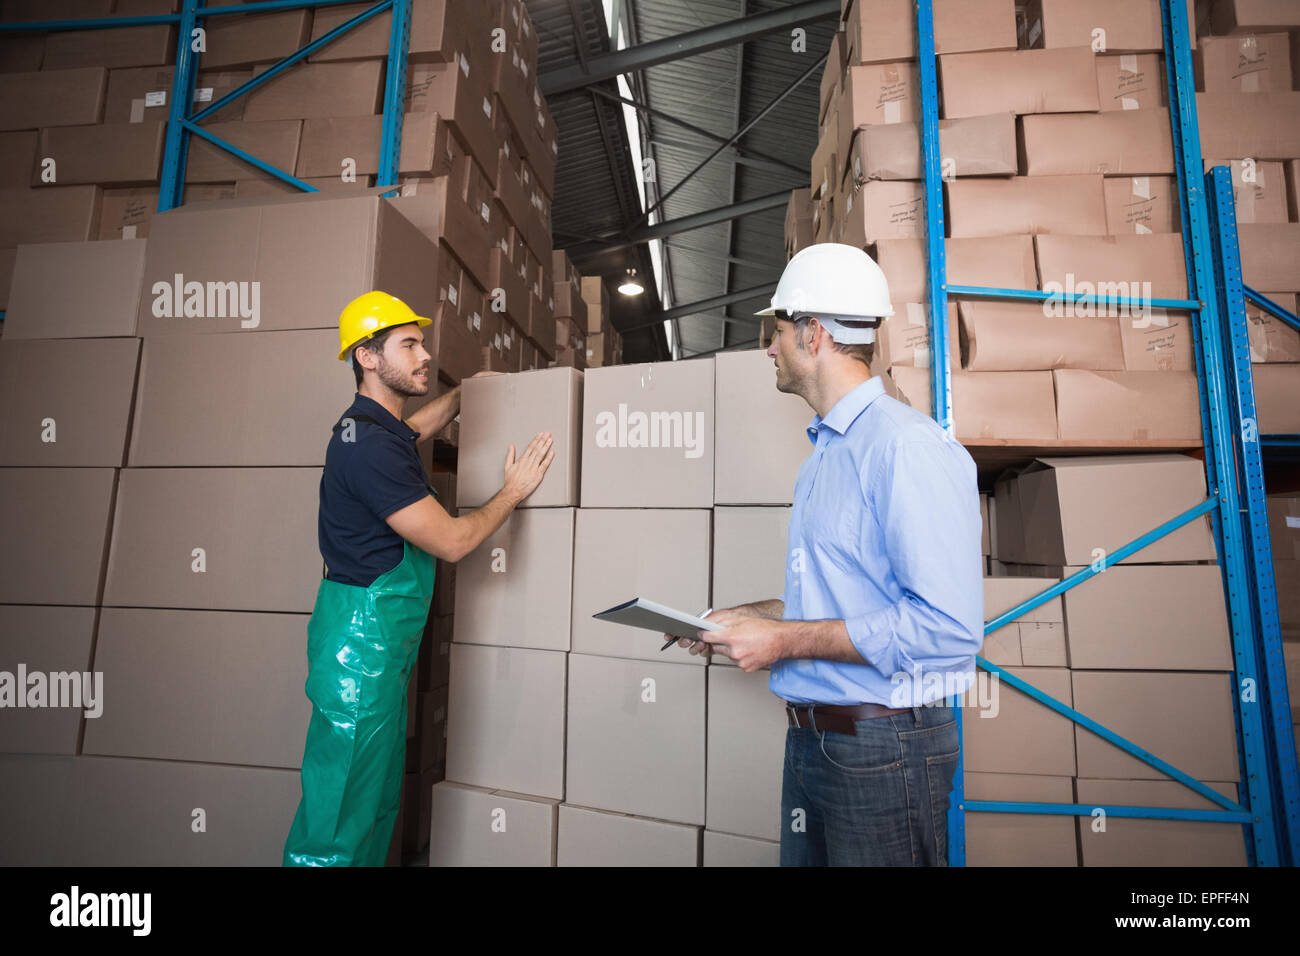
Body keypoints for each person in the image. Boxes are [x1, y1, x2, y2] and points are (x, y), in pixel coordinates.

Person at [673, 244, 983, 866]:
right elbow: (846, 599)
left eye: (777, 330)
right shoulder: (825, 457)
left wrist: (783, 642)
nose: (769, 348)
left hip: (882, 746)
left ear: (813, 334)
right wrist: (750, 618)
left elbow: (947, 630)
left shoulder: (905, 449)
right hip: (818, 741)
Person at [283, 290, 554, 867]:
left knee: (375, 809)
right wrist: (514, 491)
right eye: (408, 345)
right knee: (334, 832)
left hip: (373, 654)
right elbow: (453, 542)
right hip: (360, 659)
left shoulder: (370, 431)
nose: (424, 354)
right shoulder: (370, 452)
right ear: (367, 357)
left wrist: (463, 393)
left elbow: (411, 433)